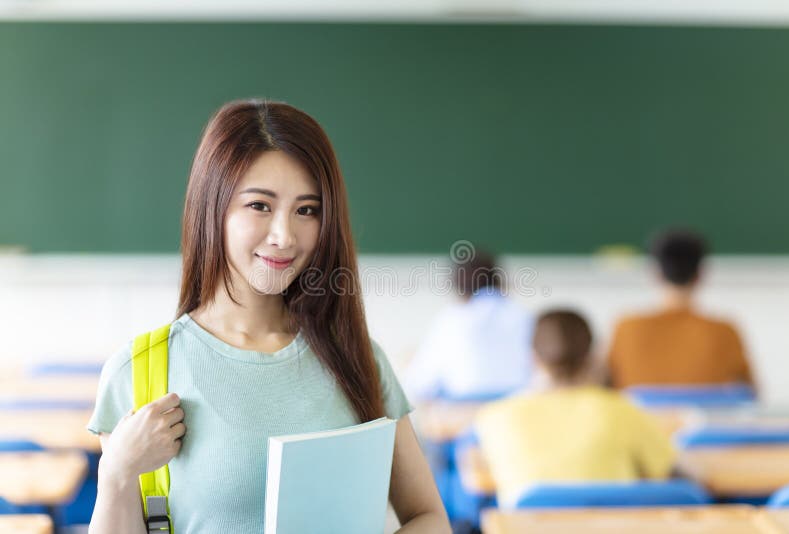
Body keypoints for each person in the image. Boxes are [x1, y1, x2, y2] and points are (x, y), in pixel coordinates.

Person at [87, 100, 449, 533]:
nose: (284, 236)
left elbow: (427, 517)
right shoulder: (140, 372)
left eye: (307, 210)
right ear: (213, 206)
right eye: (260, 205)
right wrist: (115, 474)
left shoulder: (359, 360)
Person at [475, 310, 674, 508]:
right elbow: (663, 471)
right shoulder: (625, 410)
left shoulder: (496, 417)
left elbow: (478, 473)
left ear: (533, 358)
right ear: (593, 357)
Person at [607, 229, 755, 389]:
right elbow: (750, 393)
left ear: (657, 274)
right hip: (708, 414)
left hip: (639, 415)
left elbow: (606, 388)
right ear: (700, 275)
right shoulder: (725, 332)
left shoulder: (627, 327)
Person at [403, 249, 534, 402]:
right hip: (515, 407)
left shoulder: (452, 318)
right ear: (498, 280)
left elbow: (420, 384)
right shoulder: (522, 315)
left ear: (457, 285)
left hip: (463, 411)